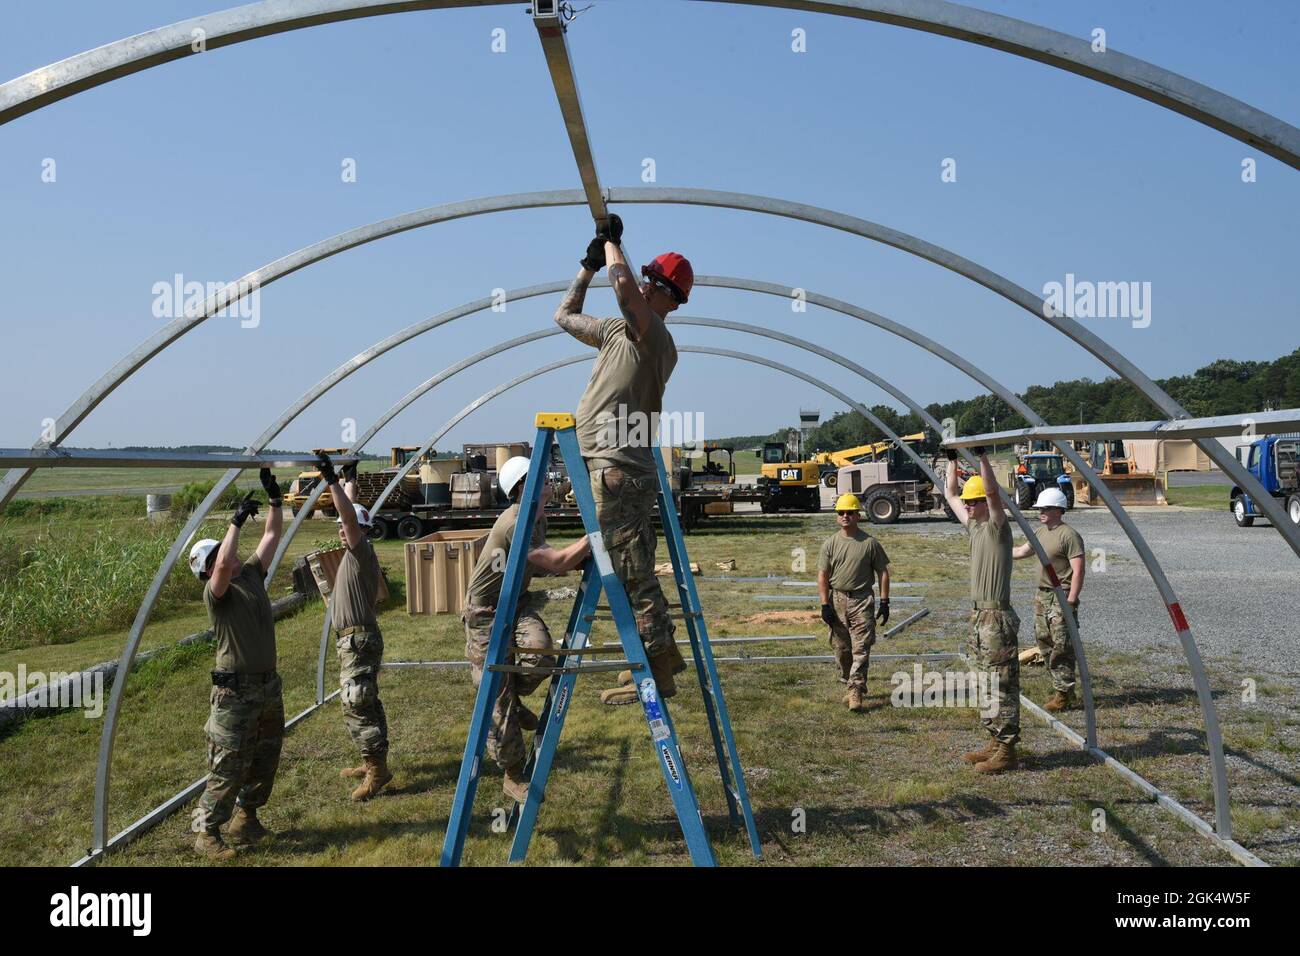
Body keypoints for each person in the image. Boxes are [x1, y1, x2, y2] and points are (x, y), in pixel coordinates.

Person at [552, 213, 694, 707]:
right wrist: (588, 266)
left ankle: (657, 665)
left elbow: (626, 294)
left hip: (621, 469)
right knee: (624, 567)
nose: (646, 288)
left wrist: (613, 244)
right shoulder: (618, 330)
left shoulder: (655, 337)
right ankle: (659, 658)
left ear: (665, 296)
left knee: (632, 573)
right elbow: (564, 316)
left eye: (653, 283)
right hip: (602, 463)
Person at [462, 456, 590, 803]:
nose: (548, 480)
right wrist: (595, 536)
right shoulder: (515, 521)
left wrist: (576, 559)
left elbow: (547, 564)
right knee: (496, 695)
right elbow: (556, 561)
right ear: (522, 487)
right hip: (486, 614)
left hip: (515, 603)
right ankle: (512, 774)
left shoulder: (537, 517)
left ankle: (515, 700)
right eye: (539, 477)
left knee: (541, 653)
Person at [186, 468, 286, 859]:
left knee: (265, 757)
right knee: (227, 765)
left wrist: (275, 500)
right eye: (212, 558)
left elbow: (273, 537)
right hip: (235, 692)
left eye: (217, 552)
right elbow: (224, 565)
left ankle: (246, 819)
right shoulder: (218, 593)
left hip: (266, 686)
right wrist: (235, 521)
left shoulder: (251, 576)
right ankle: (207, 831)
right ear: (205, 571)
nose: (220, 560)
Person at [317, 451, 393, 800]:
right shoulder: (353, 551)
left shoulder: (361, 551)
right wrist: (348, 478)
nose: (342, 534)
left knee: (357, 703)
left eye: (347, 531)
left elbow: (349, 518)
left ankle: (377, 771)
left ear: (360, 531)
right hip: (356, 639)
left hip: (358, 640)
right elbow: (350, 514)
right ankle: (372, 761)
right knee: (367, 701)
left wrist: (331, 480)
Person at [943, 447, 1020, 774]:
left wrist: (982, 458)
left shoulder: (997, 527)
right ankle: (994, 739)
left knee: (1001, 683)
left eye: (973, 502)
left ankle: (1007, 749)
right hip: (979, 617)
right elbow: (949, 493)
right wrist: (950, 460)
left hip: (996, 618)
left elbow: (991, 493)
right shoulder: (974, 528)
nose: (969, 505)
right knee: (984, 682)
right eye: (968, 502)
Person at [1012, 486, 1085, 712]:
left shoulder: (1069, 535)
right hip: (1042, 595)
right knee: (1044, 640)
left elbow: (1079, 570)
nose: (1040, 512)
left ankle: (1063, 694)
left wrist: (1071, 599)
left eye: (1045, 508)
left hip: (1061, 595)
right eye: (1040, 508)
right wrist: (999, 549)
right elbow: (1022, 551)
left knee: (1061, 644)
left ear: (1057, 510)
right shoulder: (1041, 532)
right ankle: (1061, 688)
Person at [818, 493, 891, 712]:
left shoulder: (870, 543)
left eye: (850, 512)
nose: (845, 516)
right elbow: (823, 575)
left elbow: (883, 572)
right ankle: (847, 682)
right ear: (837, 517)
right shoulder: (830, 544)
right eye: (841, 512)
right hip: (837, 599)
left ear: (858, 515)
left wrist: (885, 601)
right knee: (842, 649)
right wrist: (824, 605)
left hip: (861, 600)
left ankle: (856, 689)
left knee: (861, 647)